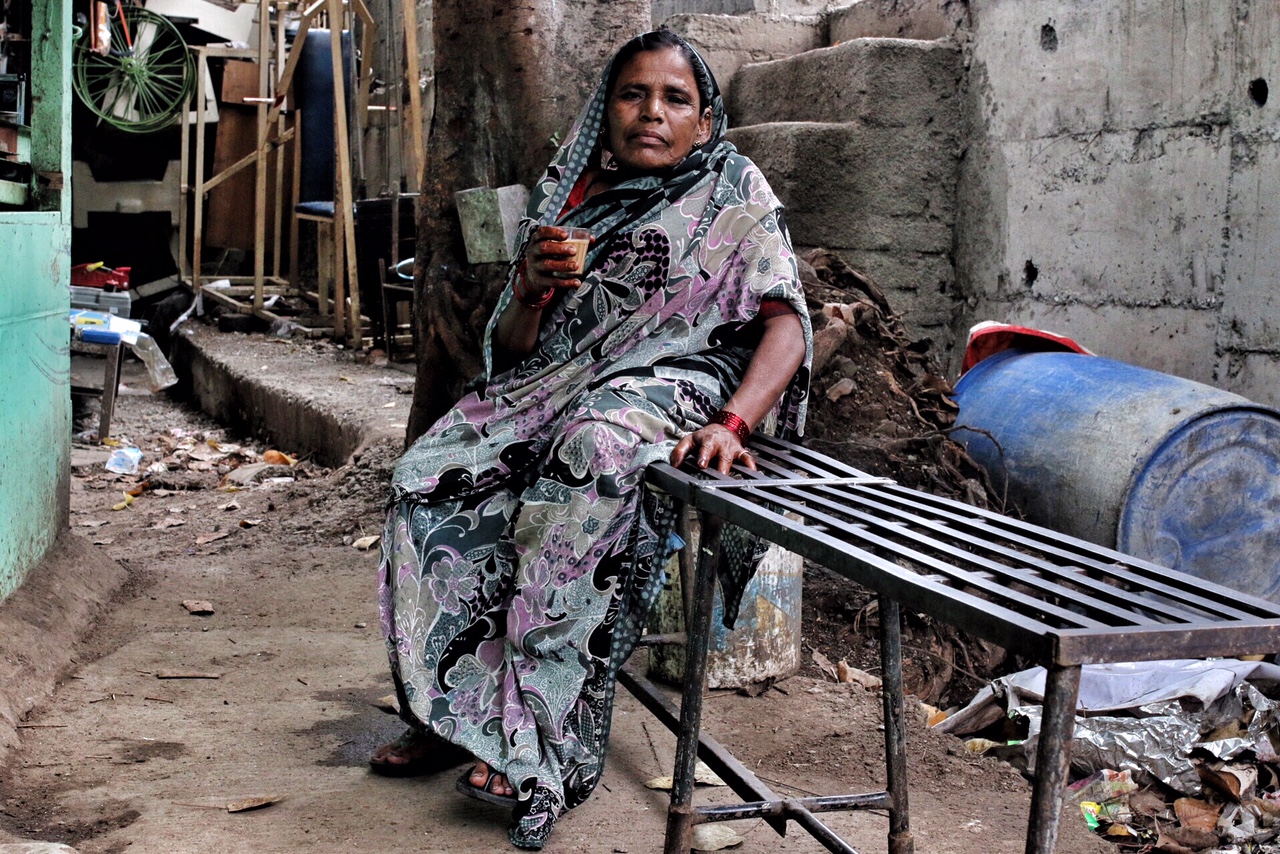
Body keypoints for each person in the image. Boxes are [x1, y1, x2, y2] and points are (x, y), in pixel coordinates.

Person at [370, 29, 813, 851]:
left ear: (705, 121)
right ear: (605, 110)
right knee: (430, 473)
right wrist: (532, 290)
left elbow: (787, 325)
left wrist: (731, 424)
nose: (652, 112)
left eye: (675, 98)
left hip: (684, 380)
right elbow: (519, 344)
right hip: (563, 384)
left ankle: (539, 737)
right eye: (632, 94)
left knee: (592, 451)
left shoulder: (733, 191)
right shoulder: (573, 196)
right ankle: (449, 710)